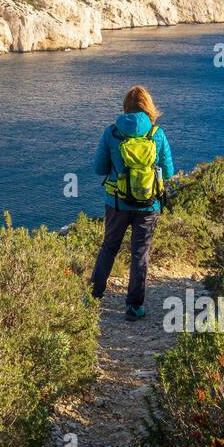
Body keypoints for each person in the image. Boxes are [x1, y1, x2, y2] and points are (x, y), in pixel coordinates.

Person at [90, 84, 175, 322]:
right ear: (149, 107)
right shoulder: (156, 134)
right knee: (140, 253)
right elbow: (168, 171)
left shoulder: (112, 132)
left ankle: (93, 296)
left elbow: (98, 168)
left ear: (125, 107)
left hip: (116, 203)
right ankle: (134, 307)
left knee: (109, 247)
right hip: (148, 205)